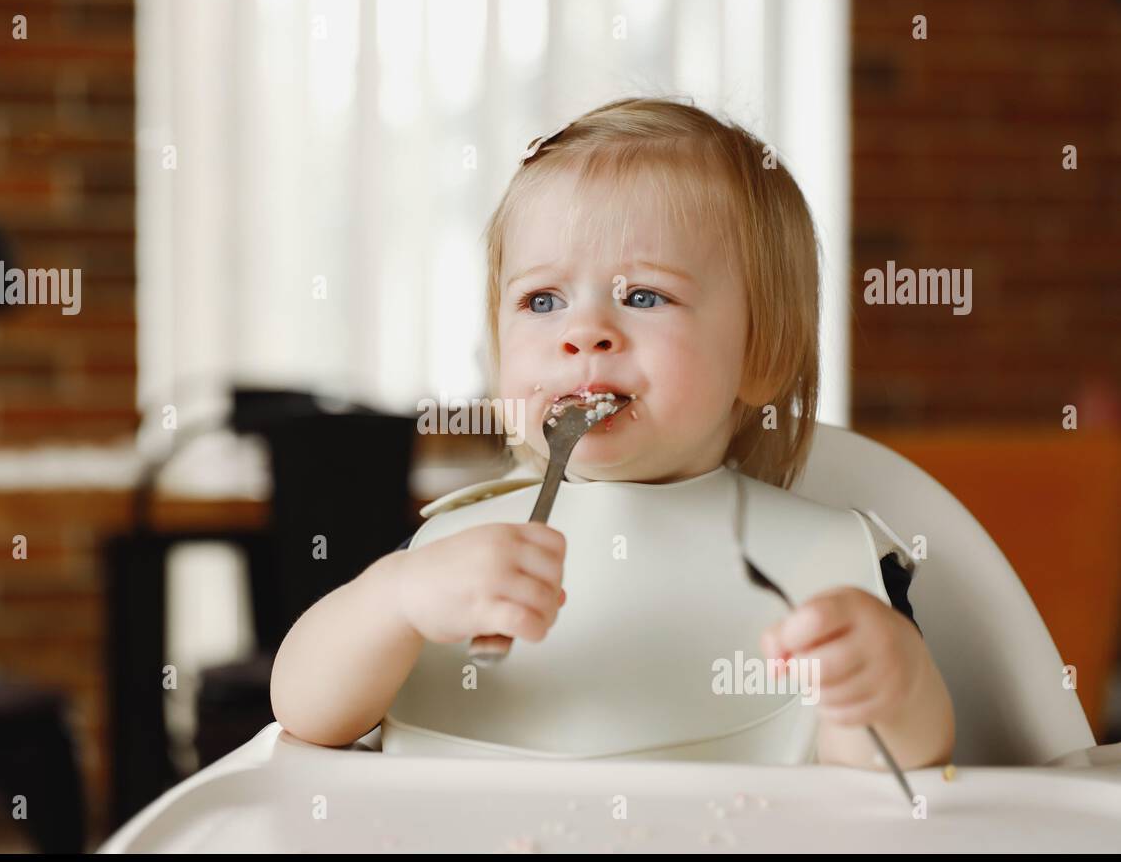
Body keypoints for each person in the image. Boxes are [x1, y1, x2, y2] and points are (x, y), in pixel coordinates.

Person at [271, 96, 955, 771]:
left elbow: (884, 783)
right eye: (543, 301)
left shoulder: (834, 562)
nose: (583, 332)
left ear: (761, 355)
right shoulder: (447, 554)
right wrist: (396, 599)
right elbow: (304, 713)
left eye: (643, 296)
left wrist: (889, 690)